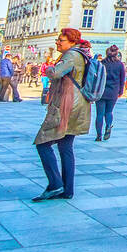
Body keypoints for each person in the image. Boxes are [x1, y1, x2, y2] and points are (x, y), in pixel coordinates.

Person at [32, 29, 92, 201]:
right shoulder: (82, 54)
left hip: (67, 105)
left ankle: (55, 184)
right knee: (65, 147)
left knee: (42, 143)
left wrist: (50, 67)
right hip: (78, 104)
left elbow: (56, 73)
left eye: (61, 40)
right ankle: (67, 189)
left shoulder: (71, 55)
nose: (57, 42)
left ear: (72, 42)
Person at [95, 45, 125, 141]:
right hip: (113, 91)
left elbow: (96, 77)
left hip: (101, 91)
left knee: (99, 114)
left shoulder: (102, 63)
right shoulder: (120, 64)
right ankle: (108, 126)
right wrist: (120, 91)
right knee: (109, 112)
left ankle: (98, 135)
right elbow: (122, 79)